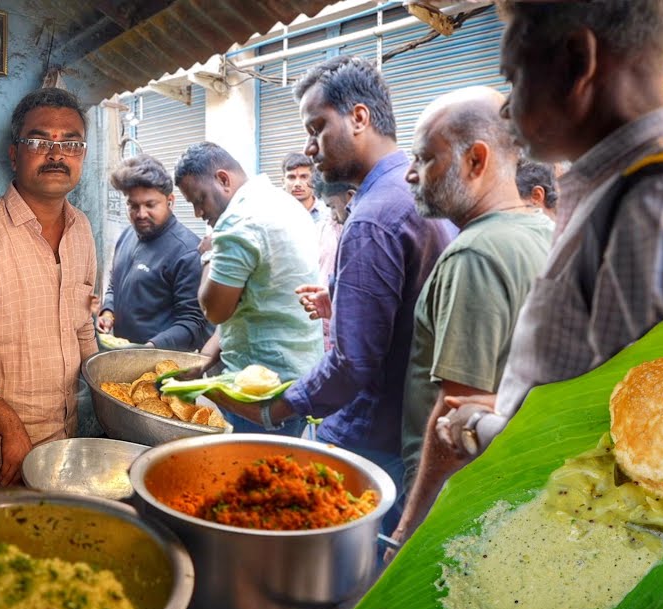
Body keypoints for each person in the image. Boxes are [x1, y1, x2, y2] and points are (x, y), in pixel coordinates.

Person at [439, 0, 663, 457]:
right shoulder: (644, 188)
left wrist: (479, 426)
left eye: (514, 78)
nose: (505, 112)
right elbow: (608, 388)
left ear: (580, 62)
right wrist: (515, 405)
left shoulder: (661, 204)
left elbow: (649, 447)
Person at [210, 56, 454, 501]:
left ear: (359, 117)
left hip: (371, 440)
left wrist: (274, 410)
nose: (309, 147)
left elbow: (354, 362)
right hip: (412, 428)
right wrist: (342, 302)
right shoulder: (415, 191)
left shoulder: (372, 217)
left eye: (317, 127)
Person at [393, 88, 554, 547]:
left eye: (425, 158)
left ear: (475, 161)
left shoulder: (475, 257)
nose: (410, 174)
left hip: (458, 511)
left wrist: (410, 529)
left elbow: (457, 420)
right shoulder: (542, 231)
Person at [0, 88, 97, 485]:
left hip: (66, 437)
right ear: (14, 154)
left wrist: (107, 389)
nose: (56, 155)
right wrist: (10, 427)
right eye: (39, 141)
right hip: (1, 450)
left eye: (71, 143)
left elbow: (81, 325)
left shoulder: (82, 232)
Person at [173, 142, 324, 435]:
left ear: (223, 179)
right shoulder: (282, 203)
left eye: (199, 199)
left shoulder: (237, 223)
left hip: (261, 395)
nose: (197, 212)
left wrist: (208, 253)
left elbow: (214, 310)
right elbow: (250, 305)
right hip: (298, 381)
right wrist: (203, 362)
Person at [97, 154, 212, 351]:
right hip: (125, 359)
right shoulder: (127, 235)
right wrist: (108, 311)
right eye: (133, 206)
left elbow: (193, 323)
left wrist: (150, 349)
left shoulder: (187, 252)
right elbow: (114, 284)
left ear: (170, 201)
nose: (141, 214)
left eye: (150, 205)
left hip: (163, 368)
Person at [297, 179, 357, 350]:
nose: (332, 215)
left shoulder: (362, 234)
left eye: (331, 206)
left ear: (350, 197)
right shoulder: (321, 230)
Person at [282, 152, 330, 225]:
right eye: (291, 177)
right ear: (283, 182)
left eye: (304, 177)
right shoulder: (275, 215)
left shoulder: (329, 214)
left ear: (313, 180)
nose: (297, 184)